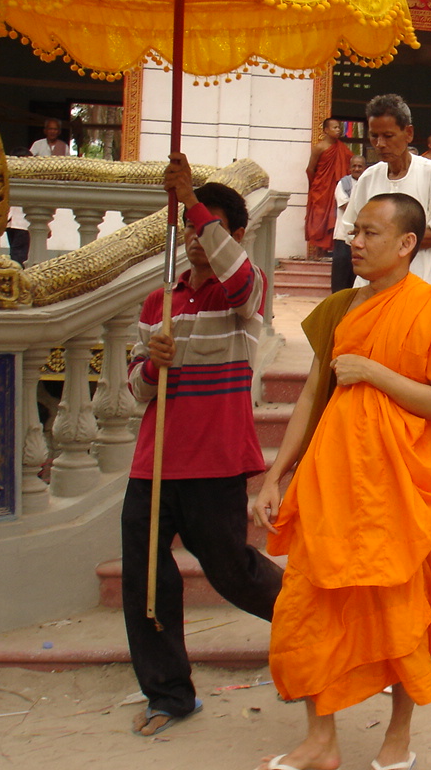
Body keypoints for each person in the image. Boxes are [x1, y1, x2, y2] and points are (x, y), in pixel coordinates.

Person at [252, 192, 431, 770]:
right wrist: (276, 473)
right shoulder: (342, 309)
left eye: (371, 233)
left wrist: (373, 373)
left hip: (396, 494)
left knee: (398, 616)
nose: (355, 241)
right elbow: (311, 394)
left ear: (407, 244)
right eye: (355, 231)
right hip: (333, 486)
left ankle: (397, 738)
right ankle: (320, 741)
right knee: (303, 607)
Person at [123, 154, 282, 738]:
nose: (195, 240)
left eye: (206, 230)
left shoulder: (245, 295)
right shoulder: (157, 305)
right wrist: (151, 368)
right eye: (189, 231)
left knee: (232, 572)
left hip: (215, 460)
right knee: (146, 578)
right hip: (154, 462)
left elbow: (238, 276)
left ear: (235, 235)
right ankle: (168, 693)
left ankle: (312, 625)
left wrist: (190, 198)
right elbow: (132, 388)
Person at [339, 94, 431, 285]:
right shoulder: (368, 178)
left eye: (388, 136)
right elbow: (350, 230)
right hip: (369, 289)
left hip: (415, 288)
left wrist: (384, 239)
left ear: (408, 133)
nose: (380, 144)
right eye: (374, 136)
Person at [304, 117, 354, 259]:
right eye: (334, 127)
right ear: (326, 130)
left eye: (339, 127)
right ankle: (319, 251)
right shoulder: (319, 148)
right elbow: (310, 169)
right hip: (321, 188)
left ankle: (331, 250)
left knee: (334, 217)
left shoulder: (343, 149)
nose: (338, 130)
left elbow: (349, 167)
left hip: (336, 189)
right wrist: (315, 185)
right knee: (319, 218)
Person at [330, 152, 367, 293]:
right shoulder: (343, 184)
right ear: (349, 168)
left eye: (360, 166)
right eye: (354, 166)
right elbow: (346, 206)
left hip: (362, 237)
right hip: (343, 236)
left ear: (365, 168)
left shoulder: (368, 183)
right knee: (340, 275)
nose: (357, 169)